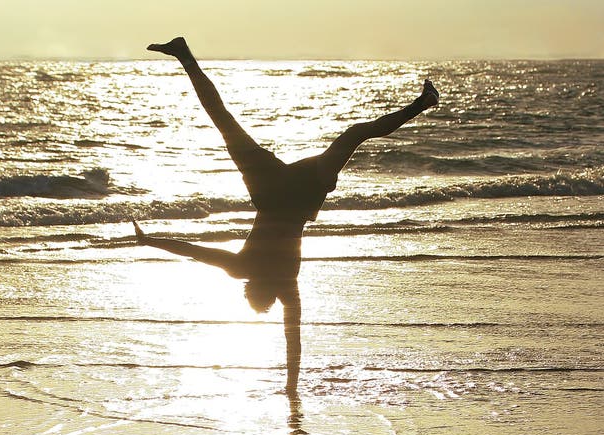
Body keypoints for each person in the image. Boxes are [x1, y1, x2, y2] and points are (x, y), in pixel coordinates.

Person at [134, 36, 439, 395]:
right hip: (273, 191)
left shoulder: (285, 286)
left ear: (269, 294)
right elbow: (192, 250)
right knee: (225, 122)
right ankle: (184, 55)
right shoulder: (244, 270)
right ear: (250, 289)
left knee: (349, 136)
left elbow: (293, 342)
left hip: (297, 194)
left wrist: (291, 385)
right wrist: (148, 241)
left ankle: (423, 102)